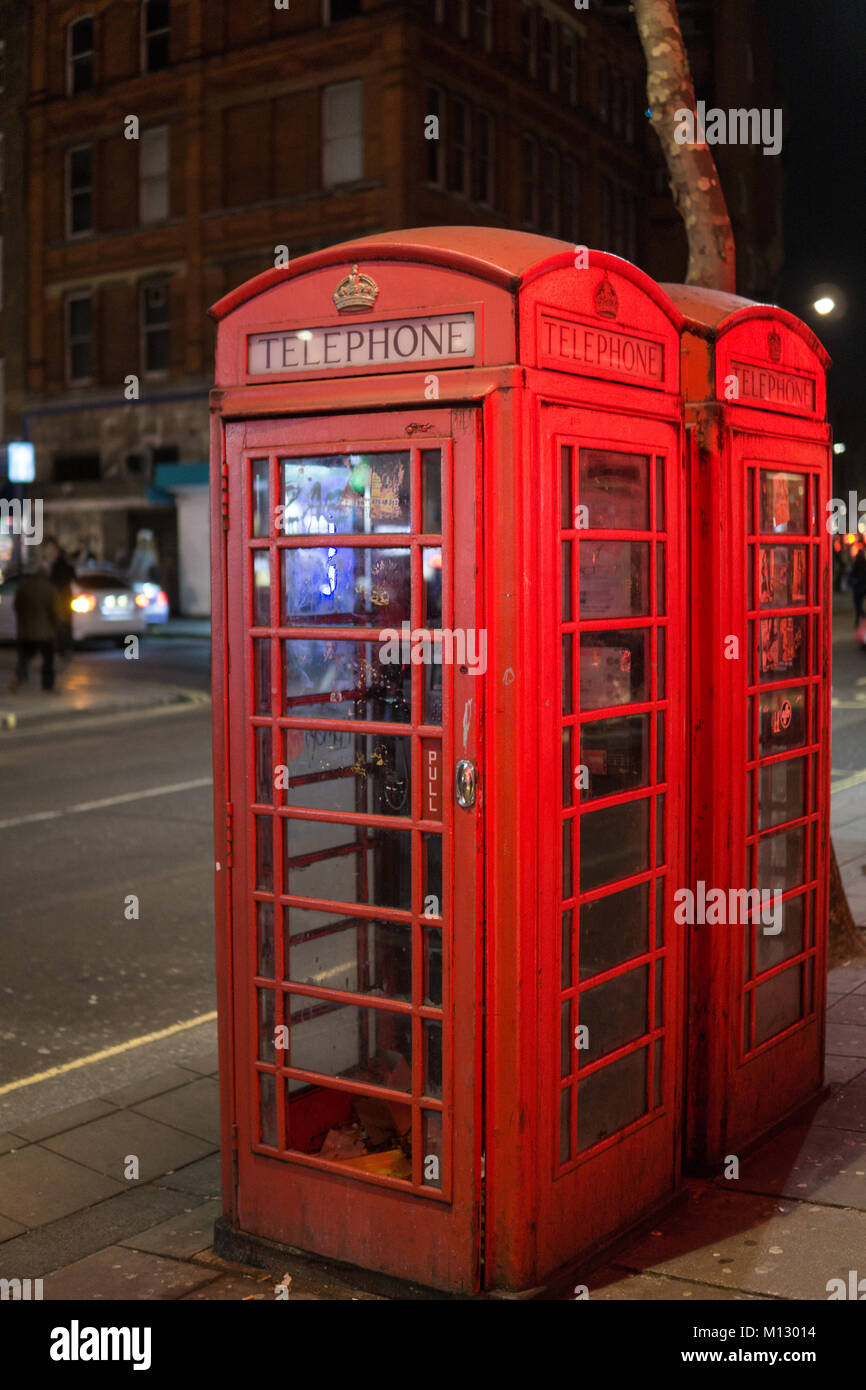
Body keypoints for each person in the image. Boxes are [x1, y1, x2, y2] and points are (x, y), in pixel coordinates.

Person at [9, 560, 63, 692]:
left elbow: (17, 606)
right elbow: (56, 611)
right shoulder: (50, 589)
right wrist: (57, 625)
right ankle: (47, 686)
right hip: (45, 632)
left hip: (26, 631)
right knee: (48, 661)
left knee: (25, 658)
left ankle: (18, 678)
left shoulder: (25, 586)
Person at [45, 536, 76, 659]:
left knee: (59, 625)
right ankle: (66, 648)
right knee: (67, 625)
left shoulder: (56, 567)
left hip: (60, 599)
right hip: (67, 599)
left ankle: (61, 648)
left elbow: (52, 582)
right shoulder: (68, 567)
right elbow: (74, 579)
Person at [851, 549, 866, 627]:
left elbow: (852, 574)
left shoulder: (856, 563)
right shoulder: (864, 563)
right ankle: (859, 618)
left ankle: (860, 617)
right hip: (862, 586)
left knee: (857, 604)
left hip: (858, 586)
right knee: (858, 604)